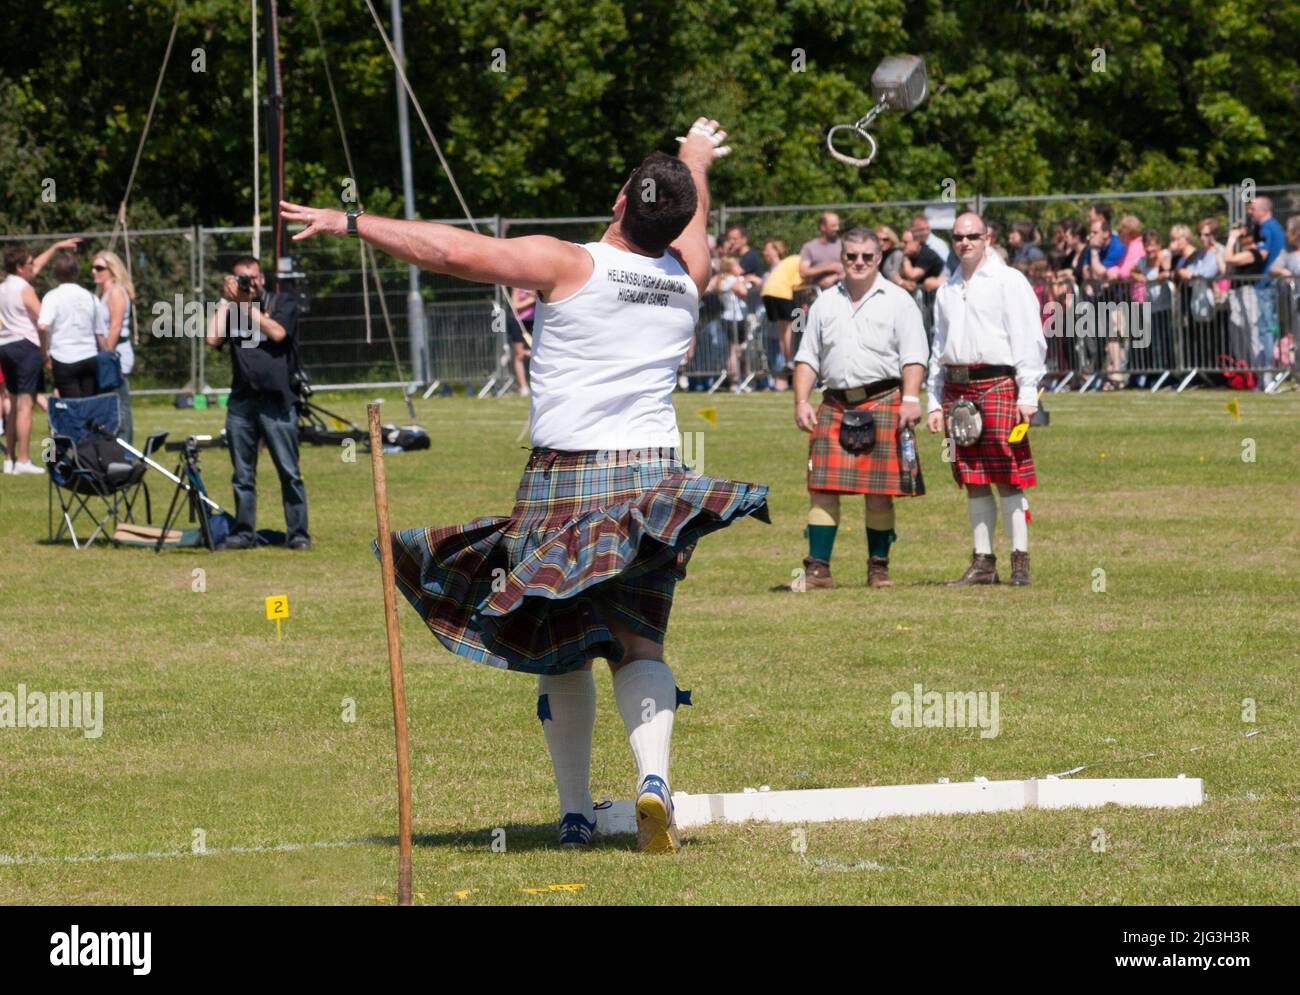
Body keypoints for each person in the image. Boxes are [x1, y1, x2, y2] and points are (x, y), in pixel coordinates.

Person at [280, 117, 769, 853]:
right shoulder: (687, 276)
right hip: (653, 478)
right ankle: (653, 782)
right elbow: (692, 215)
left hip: (565, 476)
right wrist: (697, 156)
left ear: (617, 200)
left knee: (561, 643)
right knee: (641, 642)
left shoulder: (567, 262)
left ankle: (574, 812)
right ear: (677, 219)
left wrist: (350, 221)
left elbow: (451, 250)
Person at [791, 228, 928, 589]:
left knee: (879, 493)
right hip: (835, 402)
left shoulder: (899, 300)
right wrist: (801, 400)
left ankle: (878, 567)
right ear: (842, 256)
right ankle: (818, 568)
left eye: (867, 256)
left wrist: (911, 399)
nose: (859, 263)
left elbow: (914, 357)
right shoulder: (824, 302)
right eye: (851, 256)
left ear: (879, 257)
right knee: (822, 489)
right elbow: (807, 358)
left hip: (883, 399)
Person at [925, 212, 1045, 587]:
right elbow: (937, 347)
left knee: (1008, 475)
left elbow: (1029, 337)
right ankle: (983, 563)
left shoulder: (1009, 281)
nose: (965, 243)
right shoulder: (947, 288)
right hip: (957, 388)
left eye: (972, 236)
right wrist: (932, 399)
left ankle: (1019, 562)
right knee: (972, 476)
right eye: (959, 237)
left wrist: (1027, 393)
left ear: (987, 237)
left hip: (998, 385)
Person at [204, 255, 310, 551]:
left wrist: (246, 305)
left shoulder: (283, 303)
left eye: (251, 278)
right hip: (242, 403)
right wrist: (226, 301)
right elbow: (211, 339)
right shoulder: (232, 308)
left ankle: (299, 533)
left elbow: (277, 333)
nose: (247, 283)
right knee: (242, 474)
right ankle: (243, 533)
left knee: (289, 472)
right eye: (241, 278)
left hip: (277, 401)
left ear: (262, 278)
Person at [1, 238, 80, 475]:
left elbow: (35, 268)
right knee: (26, 406)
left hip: (5, 346)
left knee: (14, 404)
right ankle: (24, 460)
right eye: (29, 264)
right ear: (19, 268)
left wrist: (55, 247)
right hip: (26, 348)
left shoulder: (4, 286)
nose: (33, 267)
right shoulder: (24, 289)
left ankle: (10, 460)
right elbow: (42, 316)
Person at [38, 253, 100, 398]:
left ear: (56, 274)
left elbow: (42, 326)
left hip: (63, 356)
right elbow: (99, 331)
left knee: (72, 405)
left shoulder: (52, 296)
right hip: (89, 354)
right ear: (77, 272)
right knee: (89, 402)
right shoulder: (91, 297)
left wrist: (44, 353)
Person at [90, 250, 137, 444]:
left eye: (99, 268)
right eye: (92, 267)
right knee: (110, 403)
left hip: (116, 355)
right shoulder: (104, 293)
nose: (94, 271)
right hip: (108, 354)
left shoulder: (116, 292)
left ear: (112, 270)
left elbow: (115, 326)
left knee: (120, 404)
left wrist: (106, 356)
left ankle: (126, 450)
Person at [1247, 196, 1286, 386]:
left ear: (1263, 210)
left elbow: (1261, 253)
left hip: (1266, 284)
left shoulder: (1267, 228)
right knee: (1269, 327)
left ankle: (1268, 374)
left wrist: (1245, 252)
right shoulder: (1275, 227)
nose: (1250, 212)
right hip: (1269, 283)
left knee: (1266, 329)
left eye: (1253, 209)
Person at [759, 238, 802, 390]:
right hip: (784, 295)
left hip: (770, 294)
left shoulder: (787, 262)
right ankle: (790, 360)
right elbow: (798, 283)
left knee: (785, 330)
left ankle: (787, 360)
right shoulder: (798, 261)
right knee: (791, 329)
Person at [799, 212, 843, 294]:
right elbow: (803, 272)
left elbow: (852, 269)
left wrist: (835, 277)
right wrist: (827, 268)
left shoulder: (843, 246)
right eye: (833, 226)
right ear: (823, 227)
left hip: (842, 292)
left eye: (838, 225)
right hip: (817, 294)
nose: (837, 228)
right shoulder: (809, 247)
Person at [505, 286, 536, 396]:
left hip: (534, 322)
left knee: (539, 353)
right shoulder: (518, 286)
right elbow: (514, 306)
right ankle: (523, 387)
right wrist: (531, 300)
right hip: (518, 322)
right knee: (519, 355)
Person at [896, 228, 945, 293]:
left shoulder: (927, 254)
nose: (903, 245)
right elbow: (897, 274)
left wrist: (905, 257)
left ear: (916, 242)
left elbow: (912, 276)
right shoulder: (912, 255)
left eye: (906, 242)